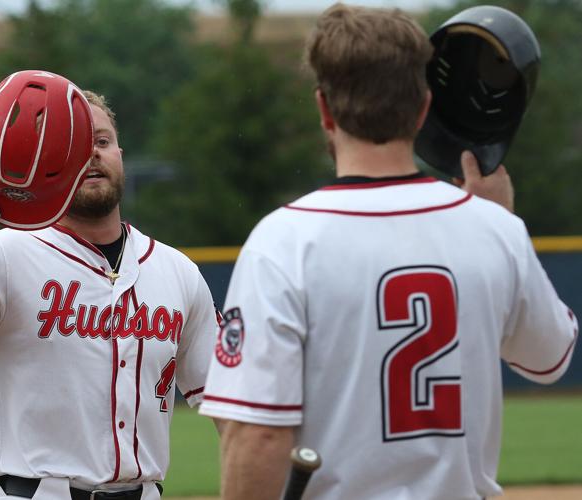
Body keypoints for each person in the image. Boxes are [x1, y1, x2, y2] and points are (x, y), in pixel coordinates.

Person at [198, 4, 578, 500]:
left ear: (324, 109)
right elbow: (550, 358)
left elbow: (259, 436)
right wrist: (502, 220)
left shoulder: (283, 242)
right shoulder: (495, 230)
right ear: (423, 108)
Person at [0, 90, 221, 500]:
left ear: (120, 154)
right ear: (44, 165)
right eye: (74, 146)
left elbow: (233, 403)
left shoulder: (177, 271)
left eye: (102, 141)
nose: (93, 155)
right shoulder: (4, 254)